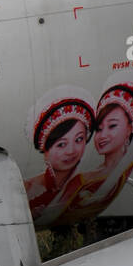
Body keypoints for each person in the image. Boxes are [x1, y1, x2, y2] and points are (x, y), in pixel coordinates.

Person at [68, 82, 133, 216]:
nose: (102, 135)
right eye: (99, 129)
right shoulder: (80, 180)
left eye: (112, 126)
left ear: (131, 128)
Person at [24, 96, 96, 227]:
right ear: (45, 149)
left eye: (79, 139)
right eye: (61, 144)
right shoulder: (27, 189)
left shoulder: (91, 182)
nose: (71, 151)